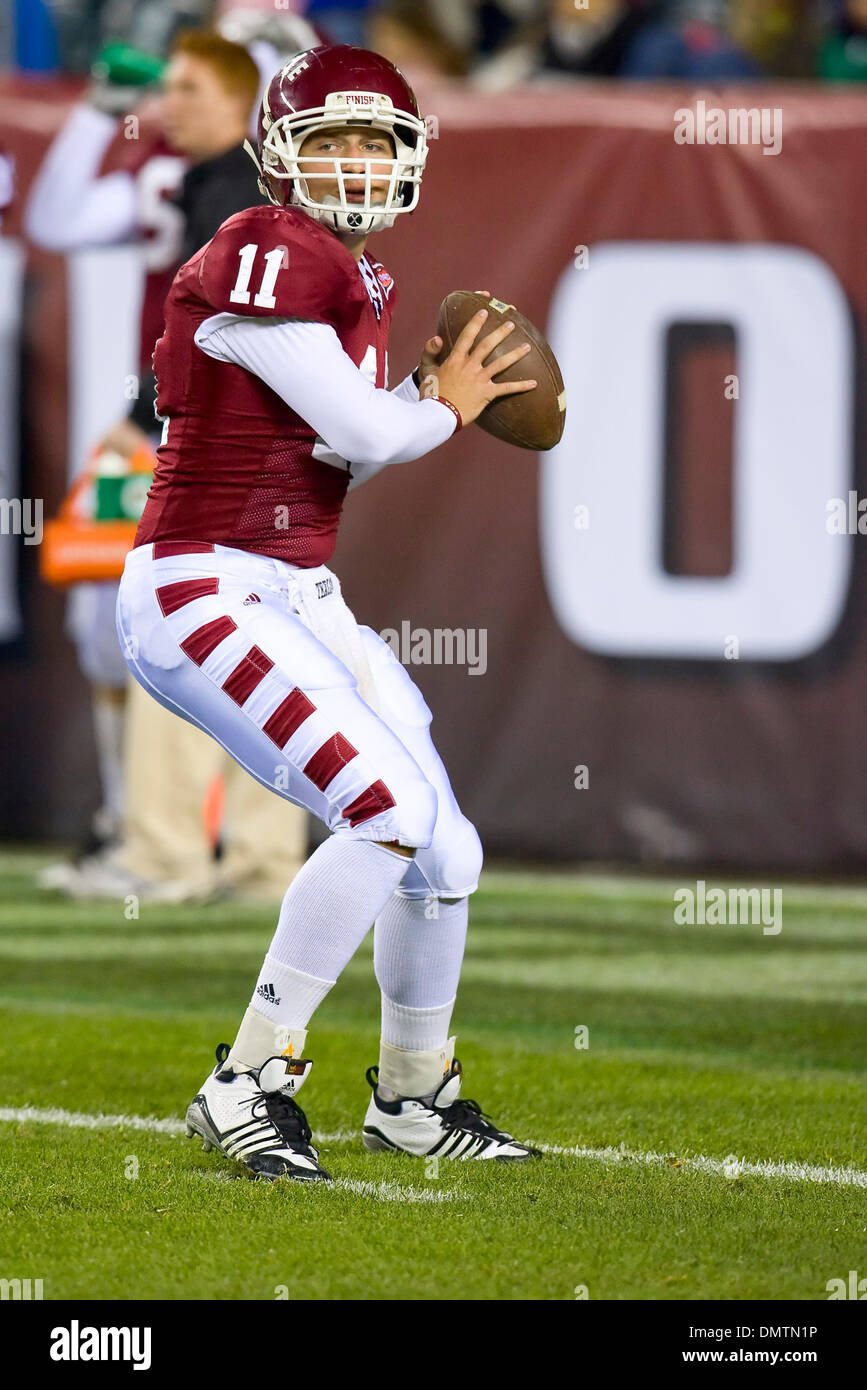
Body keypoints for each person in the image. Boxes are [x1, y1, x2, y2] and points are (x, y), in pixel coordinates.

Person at [116, 43, 543, 1180]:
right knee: (387, 807)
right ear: (278, 152)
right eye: (331, 140)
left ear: (405, 160)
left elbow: (334, 450)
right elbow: (362, 437)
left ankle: (411, 1095)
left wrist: (415, 402)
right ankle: (249, 1076)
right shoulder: (266, 246)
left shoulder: (357, 281)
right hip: (201, 583)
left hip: (291, 586)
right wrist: (438, 410)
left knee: (444, 846)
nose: (353, 165)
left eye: (373, 142)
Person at [28, 30, 309, 901]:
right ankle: (262, 861)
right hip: (276, 450)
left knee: (167, 629)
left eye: (188, 89)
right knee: (266, 645)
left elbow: (207, 331)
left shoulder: (232, 192)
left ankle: (162, 851)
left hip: (217, 445)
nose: (168, 105)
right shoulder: (253, 190)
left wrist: (137, 417)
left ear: (238, 100)